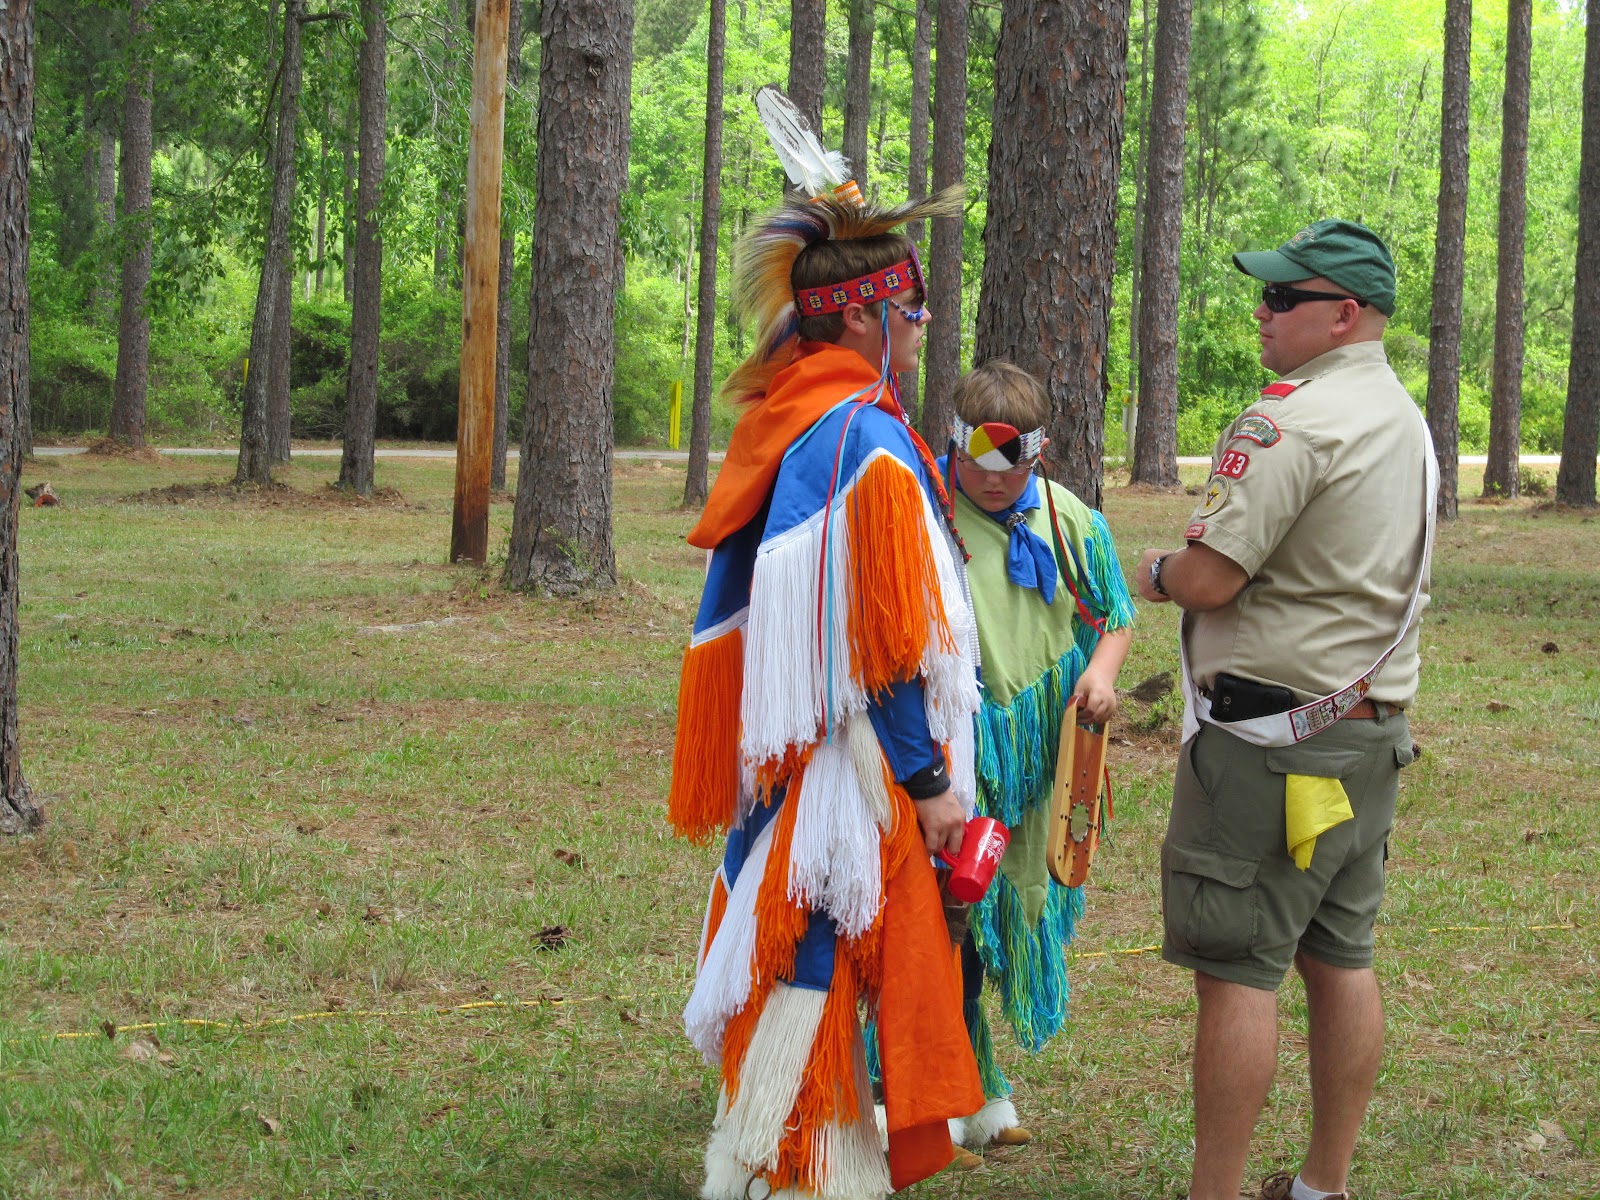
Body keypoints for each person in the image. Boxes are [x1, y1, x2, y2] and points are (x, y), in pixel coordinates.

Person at [665, 187, 986, 1200]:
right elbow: (882, 643)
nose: (921, 328)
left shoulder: (792, 421)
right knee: (818, 947)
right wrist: (929, 778)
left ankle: (789, 1157)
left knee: (806, 941)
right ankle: (784, 1166)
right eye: (913, 310)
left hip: (794, 749)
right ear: (860, 314)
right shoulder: (862, 441)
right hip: (847, 758)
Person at [1135, 219, 1435, 1200]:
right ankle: (1321, 1186)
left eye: (1280, 299)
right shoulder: (1402, 416)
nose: (1259, 314)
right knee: (1339, 957)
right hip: (1366, 737)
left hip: (1269, 749)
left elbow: (1210, 578)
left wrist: (1150, 571)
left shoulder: (1290, 421)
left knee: (1237, 970)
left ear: (1342, 313)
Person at [936, 361, 1133, 1149]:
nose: (991, 483)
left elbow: (1115, 613)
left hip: (1040, 763)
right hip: (954, 757)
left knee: (997, 913)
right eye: (976, 465)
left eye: (1009, 467)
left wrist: (1101, 672)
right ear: (954, 446)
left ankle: (978, 1091)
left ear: (1039, 455)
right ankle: (936, 1086)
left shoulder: (1070, 519)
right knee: (946, 917)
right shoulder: (929, 511)